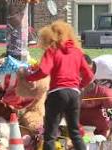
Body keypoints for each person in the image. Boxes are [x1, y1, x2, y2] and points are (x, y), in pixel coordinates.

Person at [19, 20, 94, 150]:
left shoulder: (52, 50)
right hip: (74, 94)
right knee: (75, 132)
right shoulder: (77, 52)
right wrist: (79, 86)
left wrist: (29, 77)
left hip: (57, 93)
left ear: (50, 35)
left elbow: (43, 71)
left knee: (50, 134)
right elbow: (89, 76)